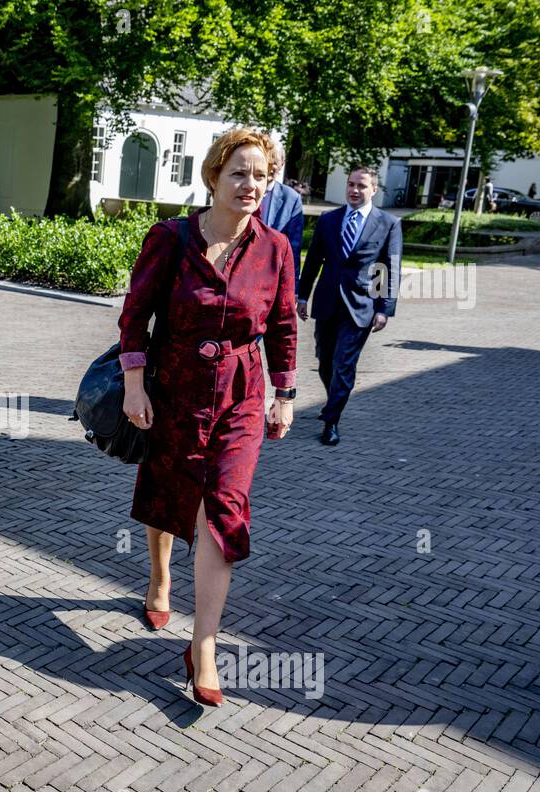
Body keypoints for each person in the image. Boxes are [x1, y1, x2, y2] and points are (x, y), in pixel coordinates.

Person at [118, 127, 298, 706]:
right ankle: (160, 574)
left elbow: (287, 324)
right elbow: (135, 315)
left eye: (261, 176)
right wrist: (134, 386)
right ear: (215, 177)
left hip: (241, 396)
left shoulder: (275, 249)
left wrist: (285, 393)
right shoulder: (171, 239)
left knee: (223, 509)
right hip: (173, 388)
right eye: (239, 173)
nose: (251, 185)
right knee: (169, 490)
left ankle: (205, 645)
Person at [297, 166, 402, 445]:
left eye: (362, 186)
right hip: (327, 302)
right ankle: (333, 400)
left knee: (344, 364)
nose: (355, 190)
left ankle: (331, 421)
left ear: (374, 190)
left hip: (361, 306)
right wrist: (302, 295)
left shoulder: (388, 223)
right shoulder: (328, 220)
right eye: (351, 184)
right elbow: (313, 261)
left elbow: (388, 268)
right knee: (325, 362)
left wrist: (384, 308)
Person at [258, 142, 303, 273]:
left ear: (282, 164)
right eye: (266, 160)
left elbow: (294, 248)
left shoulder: (292, 199)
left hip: (271, 273)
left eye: (275, 161)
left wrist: (293, 288)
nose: (270, 166)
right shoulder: (244, 190)